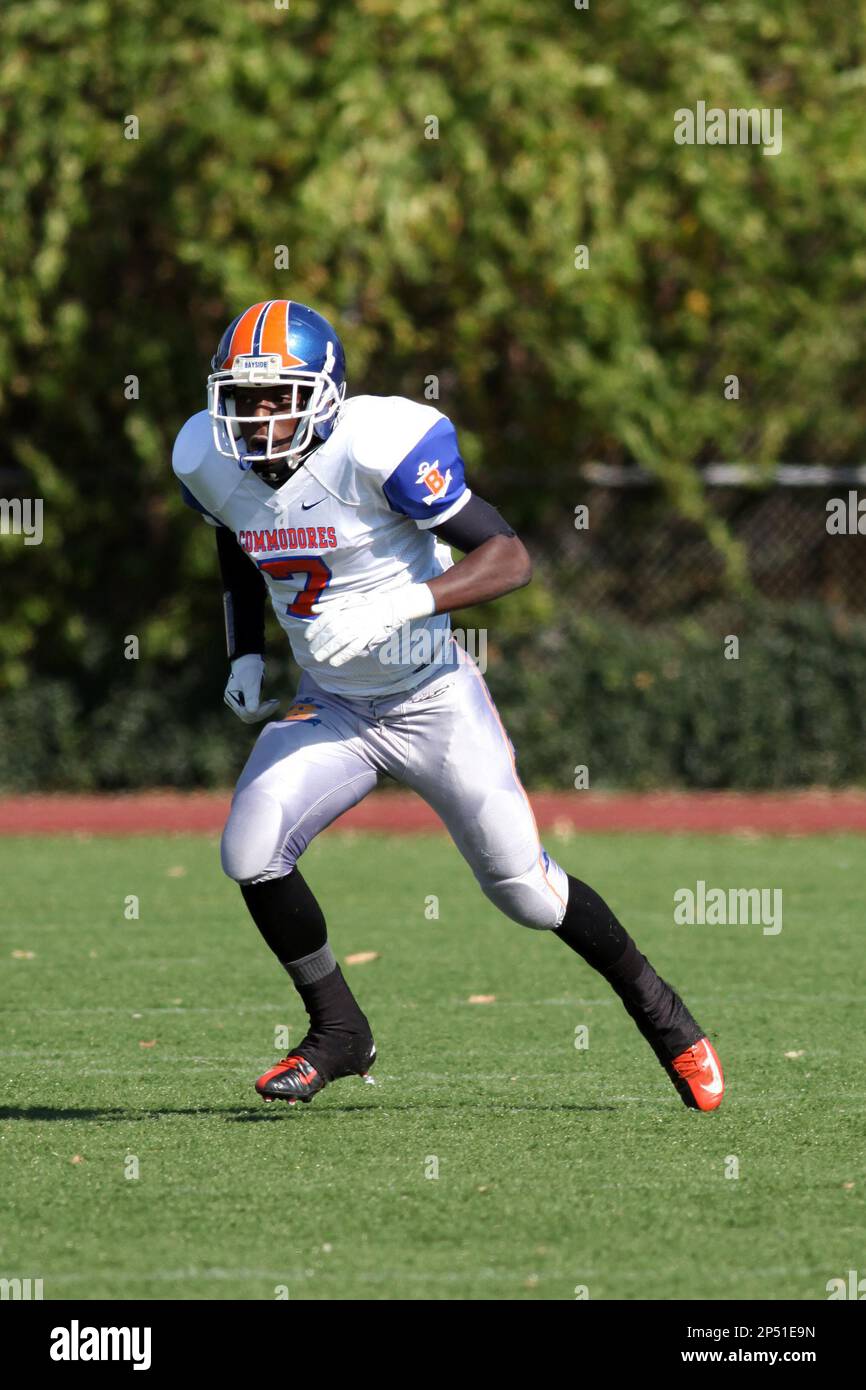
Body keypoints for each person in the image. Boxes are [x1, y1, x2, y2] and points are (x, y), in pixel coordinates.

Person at [171, 298, 725, 1112]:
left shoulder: (378, 444)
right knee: (249, 851)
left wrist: (403, 605)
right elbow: (235, 528)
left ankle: (666, 1017)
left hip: (430, 697)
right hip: (332, 706)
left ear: (325, 392)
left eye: (276, 394)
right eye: (243, 396)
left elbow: (510, 556)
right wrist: (246, 648)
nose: (257, 417)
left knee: (525, 893)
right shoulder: (206, 458)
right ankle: (338, 1032)